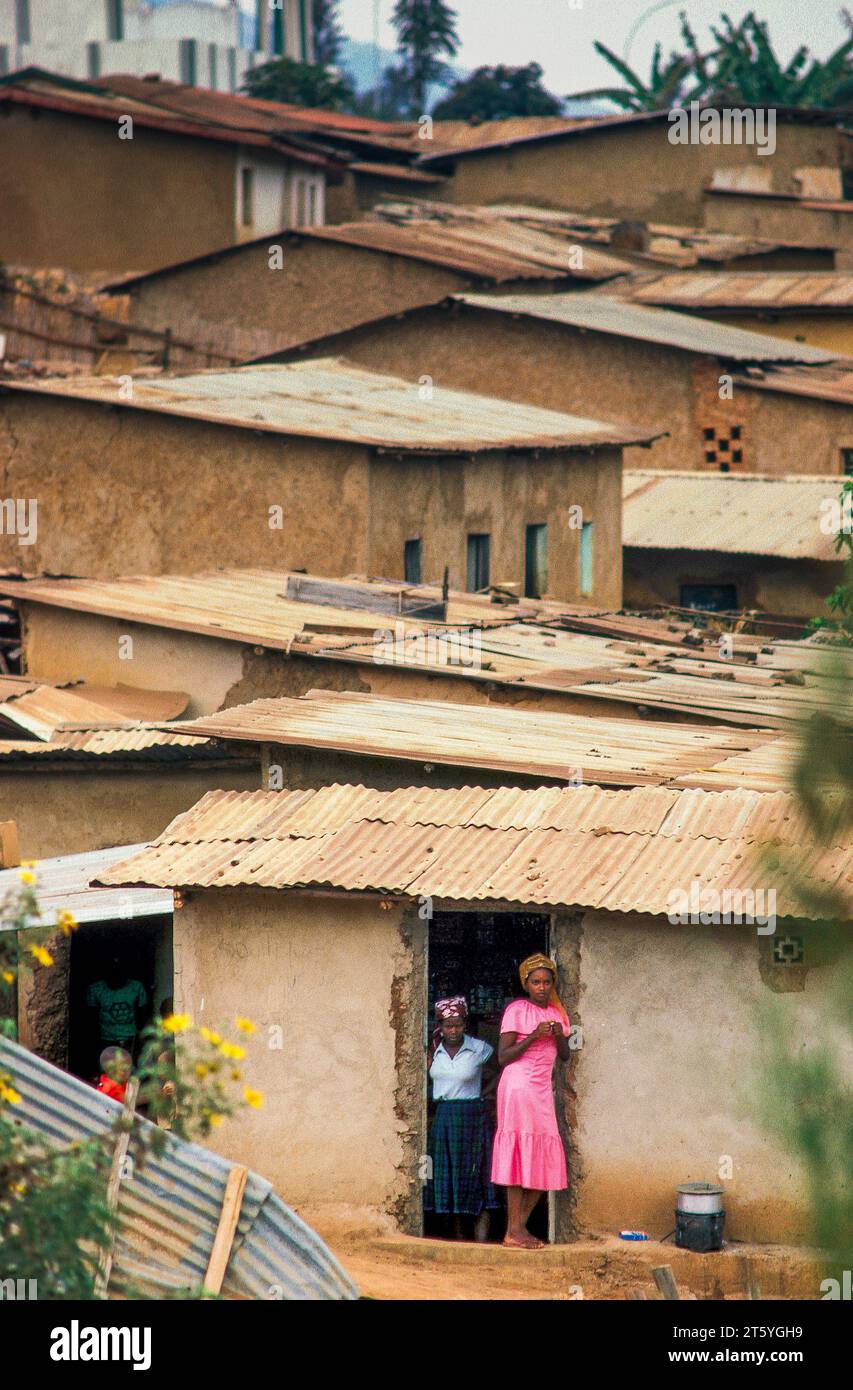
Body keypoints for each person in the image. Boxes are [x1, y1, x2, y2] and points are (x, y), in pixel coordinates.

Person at [491, 953, 571, 1249]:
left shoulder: (558, 1013)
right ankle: (515, 1230)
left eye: (546, 982)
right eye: (535, 982)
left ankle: (516, 1229)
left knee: (543, 1155)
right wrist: (534, 1036)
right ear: (526, 984)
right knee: (517, 1155)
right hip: (518, 1087)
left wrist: (558, 1034)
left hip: (540, 1090)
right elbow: (503, 1056)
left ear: (552, 984)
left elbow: (563, 1056)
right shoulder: (517, 1010)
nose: (541, 987)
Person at [423, 996, 500, 1242]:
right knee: (449, 1178)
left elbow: (502, 1071)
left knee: (476, 1177)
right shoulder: (433, 1051)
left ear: (465, 1023)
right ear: (441, 1026)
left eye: (457, 1024)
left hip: (472, 1117)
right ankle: (457, 1239)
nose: (453, 1030)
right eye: (448, 1025)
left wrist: (486, 1095)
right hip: (445, 1118)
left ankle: (481, 1242)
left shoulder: (479, 1048)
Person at [86, 956, 147, 1074]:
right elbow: (90, 1018)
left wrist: (140, 1036)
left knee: (129, 1073)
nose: (115, 972)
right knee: (107, 1073)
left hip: (130, 1039)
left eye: (119, 969)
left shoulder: (136, 987)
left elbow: (143, 1012)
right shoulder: (95, 989)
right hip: (105, 1040)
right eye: (112, 969)